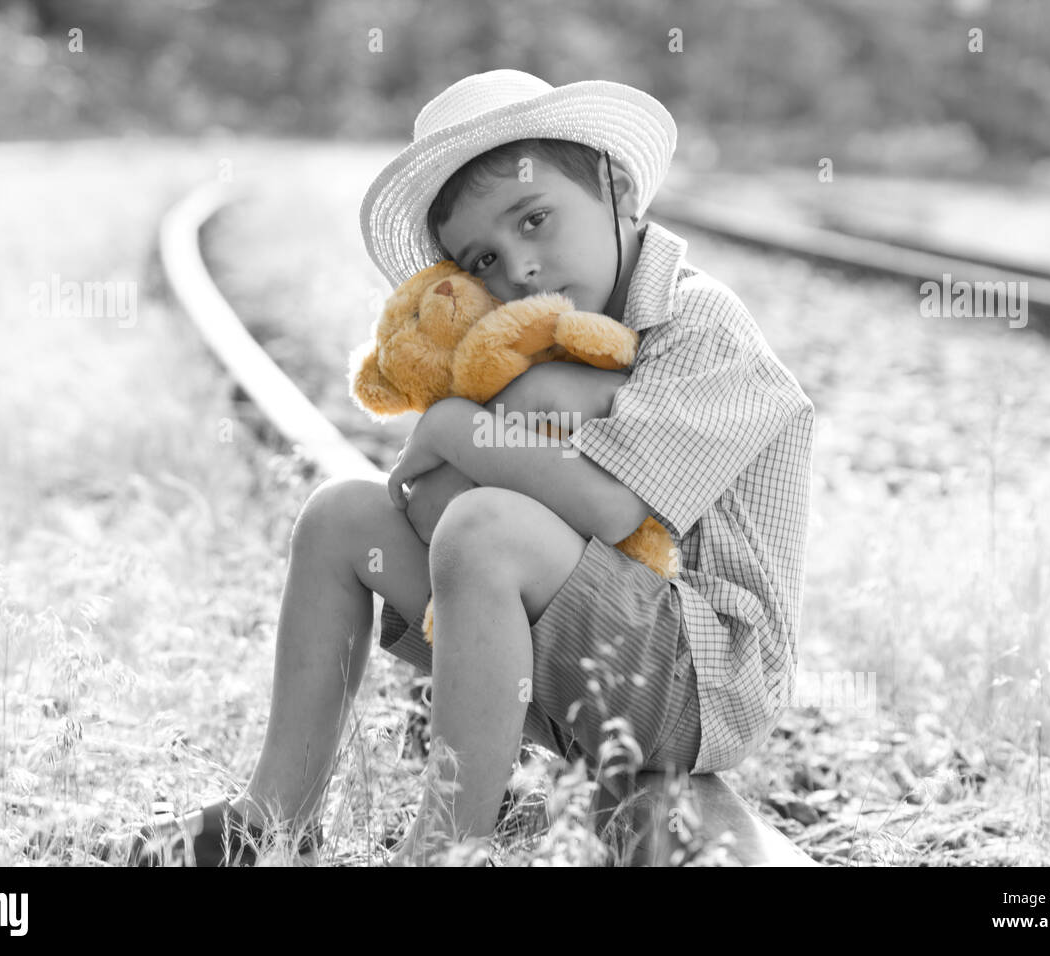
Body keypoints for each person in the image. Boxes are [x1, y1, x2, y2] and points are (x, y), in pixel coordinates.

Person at [129, 69, 814, 866]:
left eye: (536, 218)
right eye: (485, 256)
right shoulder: (545, 335)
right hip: (582, 658)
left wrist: (456, 427)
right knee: (340, 517)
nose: (518, 268)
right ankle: (274, 816)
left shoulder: (699, 325)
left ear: (620, 190)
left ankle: (445, 849)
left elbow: (614, 510)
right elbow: (468, 505)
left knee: (486, 530)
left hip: (700, 685)